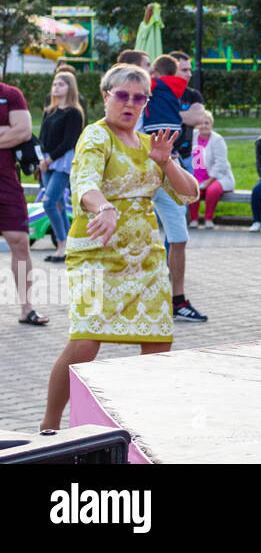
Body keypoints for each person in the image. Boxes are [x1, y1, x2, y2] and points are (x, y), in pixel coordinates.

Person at [40, 64, 199, 428]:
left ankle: (139, 424)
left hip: (145, 260)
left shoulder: (150, 144)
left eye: (138, 97)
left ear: (146, 102)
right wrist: (105, 208)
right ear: (105, 96)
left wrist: (166, 164)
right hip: (97, 255)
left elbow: (188, 194)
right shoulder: (97, 137)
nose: (130, 103)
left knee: (158, 343)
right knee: (85, 342)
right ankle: (49, 425)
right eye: (122, 95)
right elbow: (85, 186)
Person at [151, 51, 209, 322]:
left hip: (176, 161)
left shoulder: (191, 94)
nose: (185, 75)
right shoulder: (151, 92)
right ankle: (153, 294)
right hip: (149, 165)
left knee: (177, 233)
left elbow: (197, 117)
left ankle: (176, 299)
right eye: (181, 70)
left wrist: (178, 113)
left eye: (188, 70)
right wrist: (178, 113)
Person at [1, 80, 47, 325]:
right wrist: (6, 129)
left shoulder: (10, 94)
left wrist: (12, 129)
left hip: (7, 182)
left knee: (20, 241)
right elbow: (14, 131)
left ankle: (26, 308)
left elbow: (23, 132)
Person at [38, 72, 85, 264]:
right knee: (56, 203)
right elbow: (41, 137)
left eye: (61, 84)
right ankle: (67, 247)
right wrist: (40, 160)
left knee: (48, 203)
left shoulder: (73, 113)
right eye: (55, 84)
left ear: (70, 87)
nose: (56, 87)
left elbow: (69, 141)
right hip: (46, 162)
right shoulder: (50, 110)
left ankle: (62, 244)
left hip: (61, 162)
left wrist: (50, 160)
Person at [188, 112, 235, 229]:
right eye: (201, 123)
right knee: (192, 189)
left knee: (212, 190)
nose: (203, 126)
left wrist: (208, 182)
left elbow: (221, 164)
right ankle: (194, 219)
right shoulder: (192, 136)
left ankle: (208, 219)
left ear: (212, 124)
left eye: (207, 123)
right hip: (197, 176)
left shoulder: (217, 140)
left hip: (218, 177)